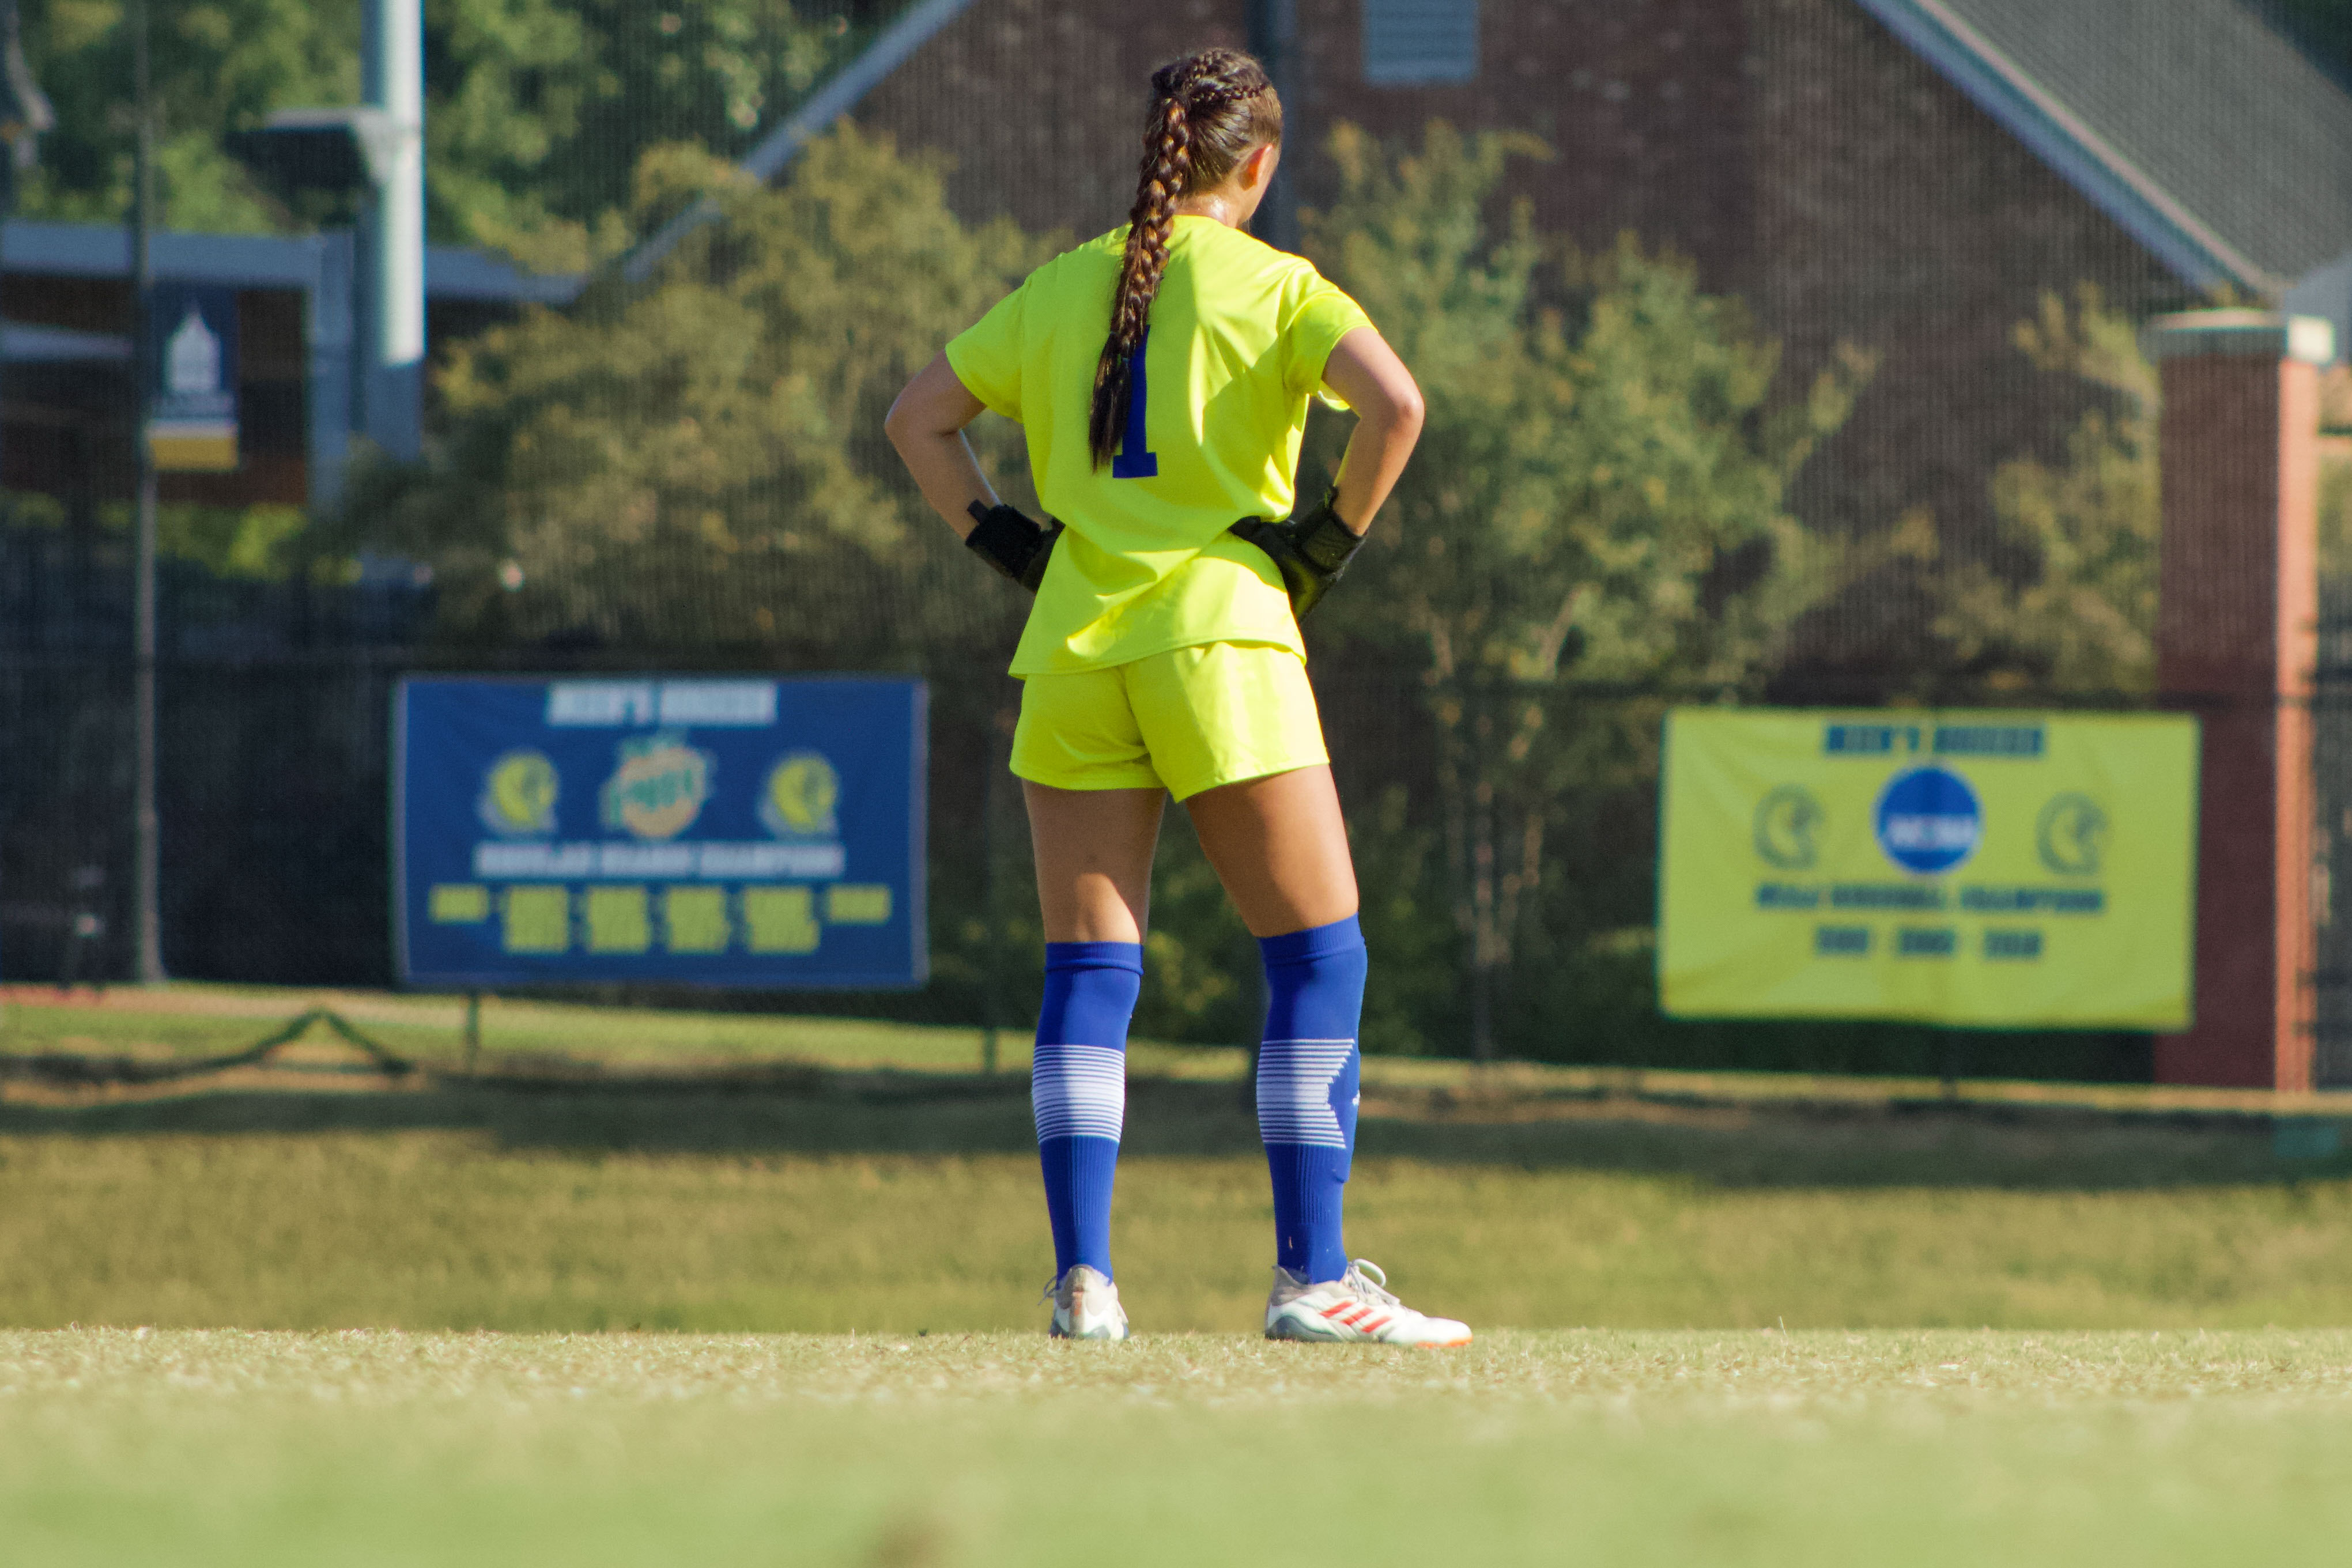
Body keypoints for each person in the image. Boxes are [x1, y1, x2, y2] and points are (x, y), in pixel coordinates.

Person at [885, 46, 1467, 1348]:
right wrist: (1322, 542)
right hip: (1220, 641)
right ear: (1258, 162)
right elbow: (1398, 406)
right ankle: (1312, 1277)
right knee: (1320, 955)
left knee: (1089, 973)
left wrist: (1007, 544)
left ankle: (1083, 1284)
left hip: (1075, 645)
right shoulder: (1277, 284)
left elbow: (917, 421)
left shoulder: (1059, 284)